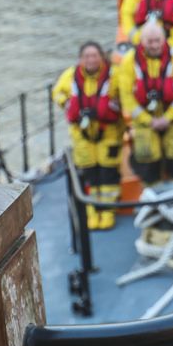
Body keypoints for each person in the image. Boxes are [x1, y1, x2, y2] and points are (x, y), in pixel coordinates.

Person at [52, 42, 123, 230]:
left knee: (108, 173)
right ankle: (92, 211)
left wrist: (116, 105)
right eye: (87, 56)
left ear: (101, 57)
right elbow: (57, 93)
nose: (91, 60)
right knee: (88, 174)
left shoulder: (115, 75)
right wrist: (67, 103)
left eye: (94, 56)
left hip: (108, 133)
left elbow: (125, 94)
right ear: (80, 59)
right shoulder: (69, 76)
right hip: (82, 135)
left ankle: (107, 211)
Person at [119, 22, 173, 188]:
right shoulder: (129, 60)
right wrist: (149, 120)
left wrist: (167, 118)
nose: (154, 45)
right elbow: (127, 96)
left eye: (157, 40)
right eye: (149, 41)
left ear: (163, 39)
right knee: (148, 162)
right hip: (145, 121)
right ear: (141, 40)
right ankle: (151, 194)